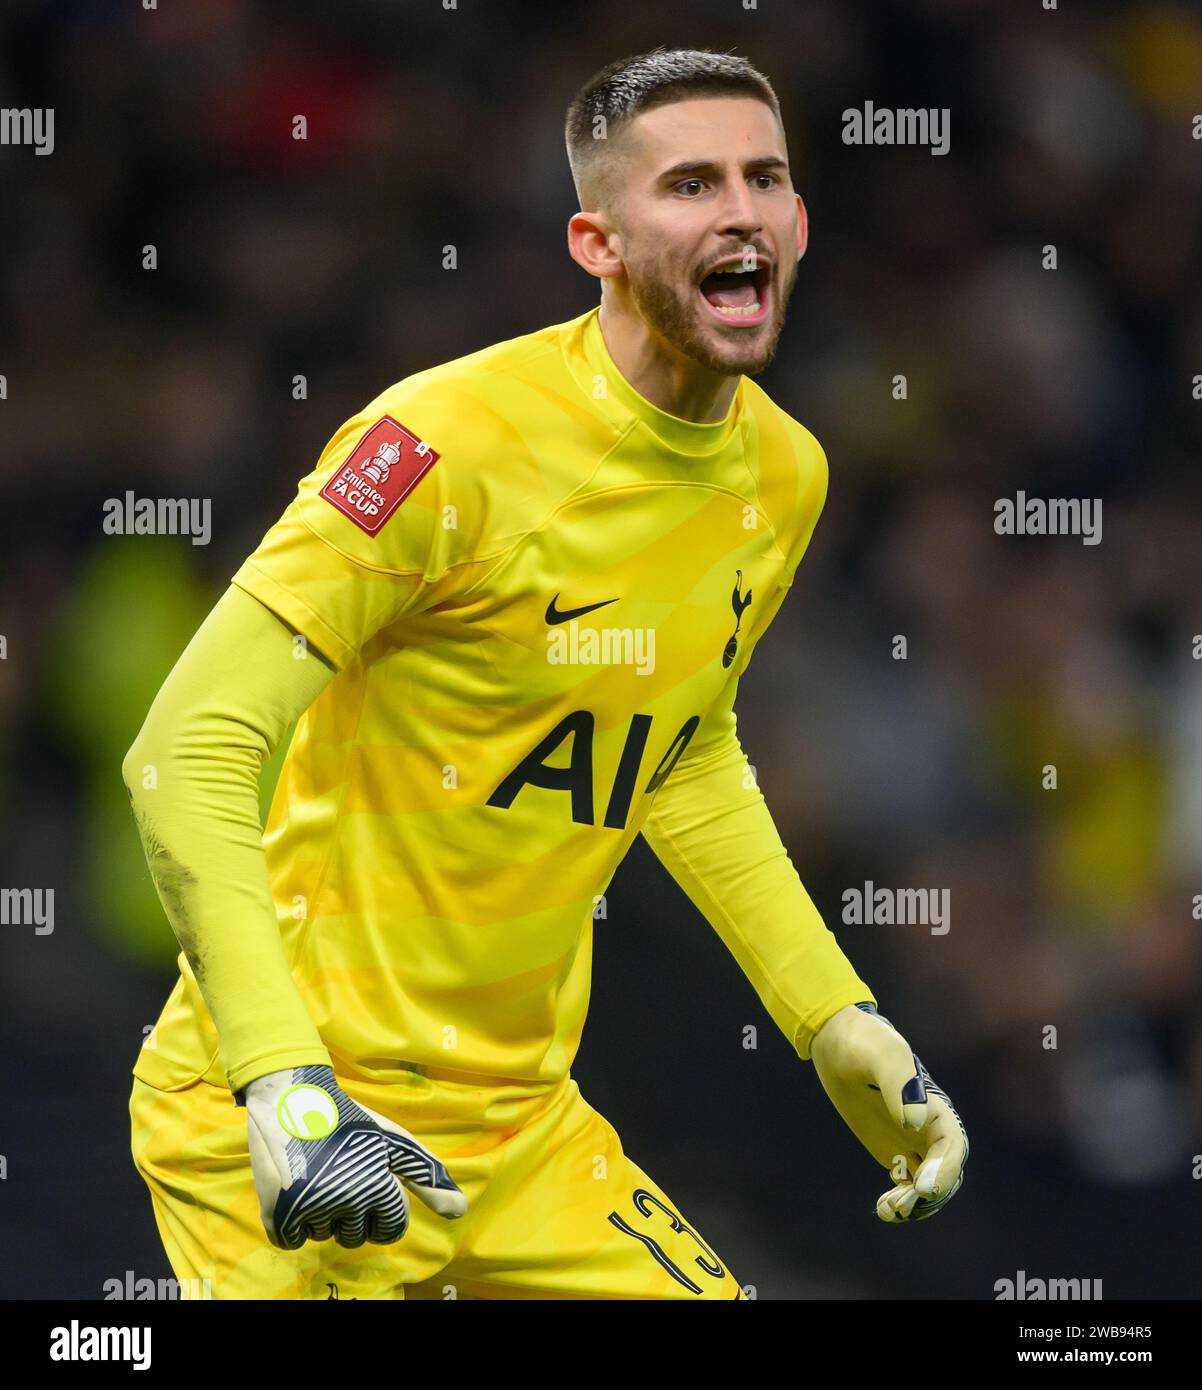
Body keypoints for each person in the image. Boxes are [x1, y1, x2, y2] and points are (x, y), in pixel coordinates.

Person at [124, 46, 967, 1302]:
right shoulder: (444, 445)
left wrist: (832, 1013)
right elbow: (183, 750)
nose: (739, 211)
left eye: (763, 179)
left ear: (797, 221)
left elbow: (679, 747)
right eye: (688, 185)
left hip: (523, 1129)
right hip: (298, 1110)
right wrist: (282, 1080)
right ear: (598, 243)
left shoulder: (783, 478)